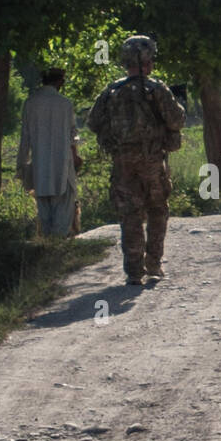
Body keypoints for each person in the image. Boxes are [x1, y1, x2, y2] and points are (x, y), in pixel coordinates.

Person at [87, 36, 186, 285]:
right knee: (157, 210)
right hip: (152, 159)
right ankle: (153, 263)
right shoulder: (157, 89)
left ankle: (133, 271)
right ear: (147, 60)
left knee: (130, 214)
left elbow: (93, 122)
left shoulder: (112, 90)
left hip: (123, 162)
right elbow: (176, 120)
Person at [17, 67, 81, 237]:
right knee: (63, 209)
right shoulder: (65, 104)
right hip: (62, 165)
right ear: (60, 81)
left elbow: (25, 137)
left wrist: (21, 165)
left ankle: (46, 244)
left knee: (43, 212)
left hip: (40, 167)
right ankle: (57, 245)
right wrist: (75, 156)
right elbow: (72, 134)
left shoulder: (30, 103)